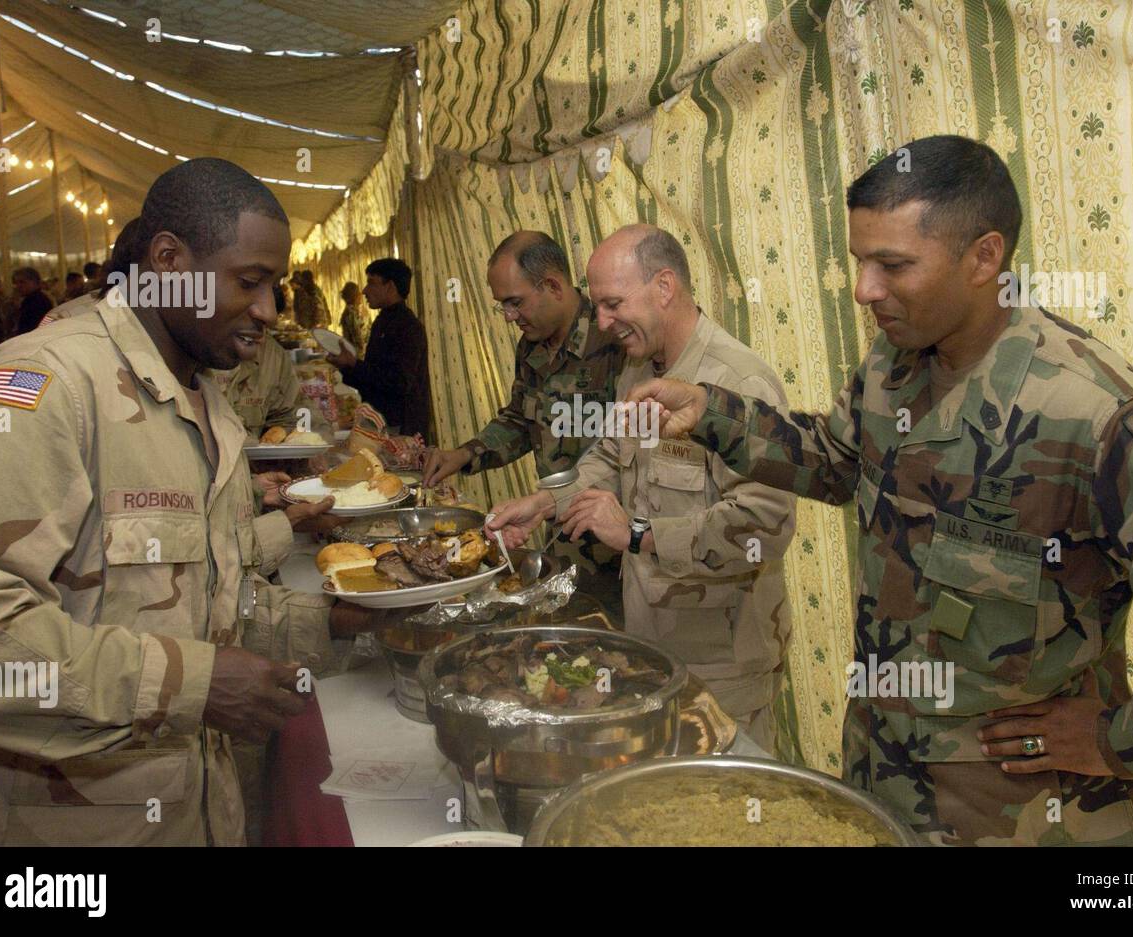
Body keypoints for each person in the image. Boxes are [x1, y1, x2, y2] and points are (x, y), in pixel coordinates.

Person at [627, 135, 1133, 846]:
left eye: (893, 264)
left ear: (984, 257)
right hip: (886, 791)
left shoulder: (1100, 417)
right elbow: (838, 459)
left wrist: (1117, 736)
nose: (864, 288)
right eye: (860, 260)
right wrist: (713, 413)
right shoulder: (895, 364)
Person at [0, 157, 386, 846]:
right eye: (249, 282)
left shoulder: (203, 403)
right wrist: (194, 685)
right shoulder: (43, 386)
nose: (271, 311)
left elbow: (203, 605)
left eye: (273, 285)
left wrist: (342, 621)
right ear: (167, 259)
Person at [486, 225, 797, 749]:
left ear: (665, 287)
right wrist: (545, 503)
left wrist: (635, 532)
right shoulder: (639, 369)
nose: (602, 322)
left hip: (722, 663)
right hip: (650, 640)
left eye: (611, 304)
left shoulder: (738, 384)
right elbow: (610, 454)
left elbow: (764, 526)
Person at [422, 231, 627, 616]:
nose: (509, 317)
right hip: (559, 531)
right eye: (502, 307)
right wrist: (466, 454)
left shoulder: (616, 340)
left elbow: (633, 450)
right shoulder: (533, 345)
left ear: (552, 285)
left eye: (515, 304)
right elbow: (521, 418)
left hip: (617, 550)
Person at [326, 257, 432, 439]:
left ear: (390, 286)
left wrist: (354, 365)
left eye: (371, 283)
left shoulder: (408, 326)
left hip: (399, 429)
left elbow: (399, 382)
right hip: (380, 422)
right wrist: (346, 366)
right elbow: (372, 380)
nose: (365, 290)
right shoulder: (382, 321)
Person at [10, 267, 53, 335]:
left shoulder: (38, 301)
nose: (18, 286)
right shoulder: (30, 300)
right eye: (16, 283)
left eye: (22, 282)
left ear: (34, 282)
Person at [338, 281, 369, 357]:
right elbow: (358, 337)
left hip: (355, 353)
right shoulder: (351, 314)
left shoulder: (351, 312)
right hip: (358, 354)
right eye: (358, 293)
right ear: (354, 296)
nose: (361, 295)